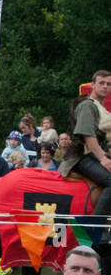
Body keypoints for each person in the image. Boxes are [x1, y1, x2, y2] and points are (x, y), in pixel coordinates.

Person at [60, 70, 111, 232]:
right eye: (101, 83)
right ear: (93, 85)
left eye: (108, 84)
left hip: (96, 154)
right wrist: (104, 159)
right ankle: (94, 230)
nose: (105, 87)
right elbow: (88, 135)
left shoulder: (103, 110)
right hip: (82, 157)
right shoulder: (87, 105)